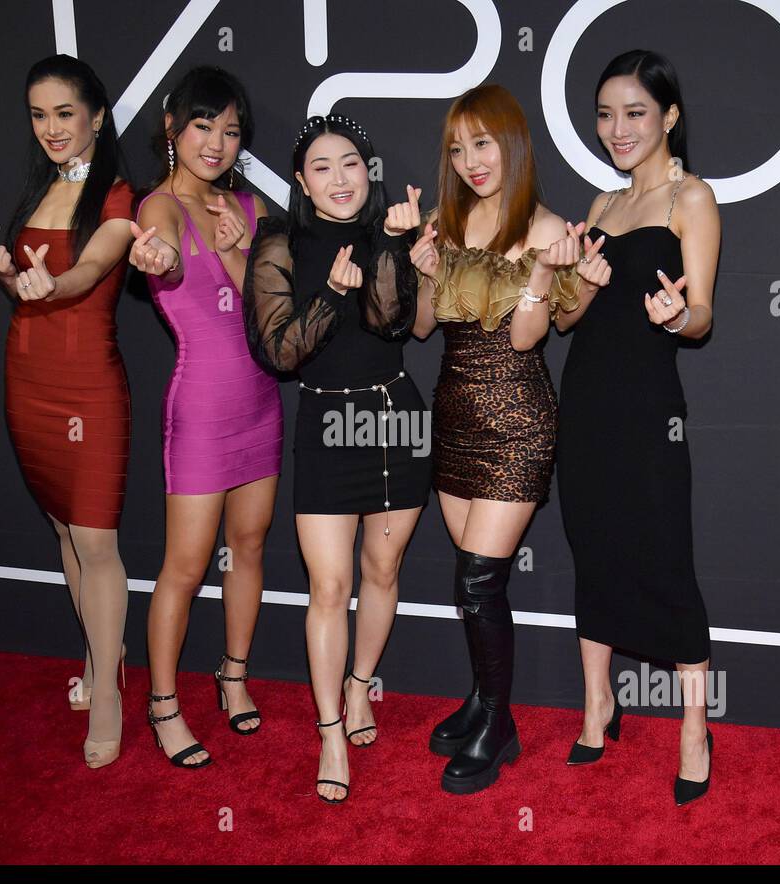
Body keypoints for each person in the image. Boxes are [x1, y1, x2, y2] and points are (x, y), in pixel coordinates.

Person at [409, 85, 609, 795]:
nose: (470, 161)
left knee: (479, 578)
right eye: (457, 149)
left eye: (482, 144)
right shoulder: (445, 217)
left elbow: (530, 336)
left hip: (517, 421)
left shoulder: (546, 225)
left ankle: (499, 723)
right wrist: (426, 270)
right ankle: (483, 700)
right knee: (471, 580)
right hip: (454, 413)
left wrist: (551, 268)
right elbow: (425, 326)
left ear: (512, 142)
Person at [243, 114, 428, 804]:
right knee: (328, 586)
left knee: (382, 568)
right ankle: (327, 733)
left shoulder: (390, 230)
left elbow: (392, 324)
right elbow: (281, 354)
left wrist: (387, 242)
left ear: (368, 170)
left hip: (396, 415)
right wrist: (331, 294)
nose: (340, 178)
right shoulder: (278, 244)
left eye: (350, 162)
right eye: (321, 167)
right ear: (300, 180)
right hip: (326, 421)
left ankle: (359, 689)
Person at [555, 50, 721, 806]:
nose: (617, 129)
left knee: (664, 557)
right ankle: (599, 704)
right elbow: (563, 318)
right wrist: (581, 289)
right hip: (585, 402)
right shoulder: (598, 206)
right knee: (593, 550)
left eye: (634, 113)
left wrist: (678, 313)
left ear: (669, 117)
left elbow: (704, 315)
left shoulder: (693, 198)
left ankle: (694, 726)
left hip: (650, 410)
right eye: (605, 114)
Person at [0, 54, 134, 769]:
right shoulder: (39, 188)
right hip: (27, 379)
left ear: (96, 115)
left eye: (64, 113)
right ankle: (102, 659)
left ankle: (109, 695)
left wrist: (49, 280)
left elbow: (90, 270)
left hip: (87, 387)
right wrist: (11, 275)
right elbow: (31, 292)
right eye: (38, 115)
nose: (51, 129)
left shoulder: (119, 195)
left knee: (96, 542)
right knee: (66, 531)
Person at [130, 65, 282, 769]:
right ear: (172, 127)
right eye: (202, 125)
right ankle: (163, 703)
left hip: (260, 404)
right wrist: (157, 259)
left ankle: (234, 675)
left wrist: (236, 248)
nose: (217, 142)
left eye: (230, 130)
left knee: (248, 548)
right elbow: (156, 259)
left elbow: (271, 313)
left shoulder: (247, 208)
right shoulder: (156, 207)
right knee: (185, 567)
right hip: (198, 410)